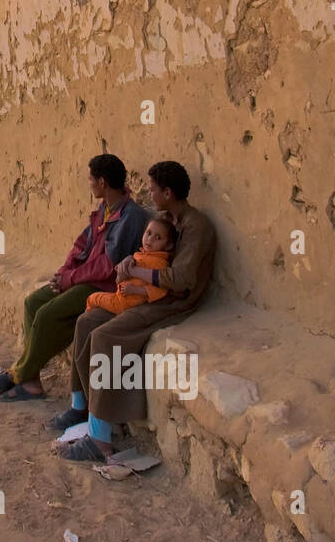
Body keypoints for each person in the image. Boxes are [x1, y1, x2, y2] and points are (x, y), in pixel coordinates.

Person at [56, 160, 217, 464]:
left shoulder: (197, 227)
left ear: (168, 192)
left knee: (106, 336)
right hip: (142, 293)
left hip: (172, 300)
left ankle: (100, 439)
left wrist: (138, 276)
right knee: (87, 321)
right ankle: (82, 406)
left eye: (154, 190)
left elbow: (181, 280)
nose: (150, 194)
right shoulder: (167, 219)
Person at [0, 154, 148, 402]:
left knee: (47, 315)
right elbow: (83, 244)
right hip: (84, 279)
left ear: (102, 182)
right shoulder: (105, 209)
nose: (88, 184)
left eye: (90, 179)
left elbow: (108, 265)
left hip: (105, 286)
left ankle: (19, 374)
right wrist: (63, 274)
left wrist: (71, 280)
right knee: (32, 303)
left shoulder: (129, 215)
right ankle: (32, 382)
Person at [83, 215, 175, 314]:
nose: (150, 239)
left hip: (125, 303)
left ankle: (89, 316)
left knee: (92, 298)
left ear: (168, 245)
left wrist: (135, 290)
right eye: (148, 233)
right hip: (121, 297)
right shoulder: (142, 254)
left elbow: (160, 290)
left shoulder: (159, 262)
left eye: (158, 238)